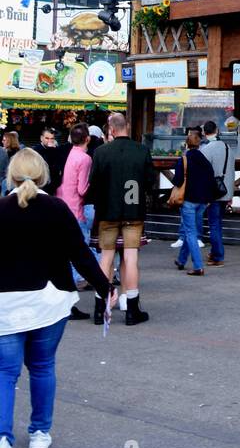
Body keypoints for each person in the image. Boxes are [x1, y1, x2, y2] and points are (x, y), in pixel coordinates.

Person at [0, 147, 115, 448]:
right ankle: (39, 432)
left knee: (4, 374)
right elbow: (80, 254)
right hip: (50, 301)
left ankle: (2, 440)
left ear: (10, 175)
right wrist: (105, 289)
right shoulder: (57, 208)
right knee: (42, 366)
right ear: (44, 175)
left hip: (5, 304)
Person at [87, 112, 155, 325]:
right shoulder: (142, 151)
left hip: (107, 212)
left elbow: (94, 184)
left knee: (105, 258)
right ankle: (132, 310)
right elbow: (149, 182)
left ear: (112, 130)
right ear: (127, 126)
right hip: (133, 211)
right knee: (131, 258)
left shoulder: (101, 152)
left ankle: (100, 309)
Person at [57, 123, 94, 318]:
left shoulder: (68, 154)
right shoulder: (85, 159)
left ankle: (65, 303)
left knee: (66, 256)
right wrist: (93, 186)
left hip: (63, 206)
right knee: (77, 255)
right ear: (87, 139)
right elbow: (82, 189)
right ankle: (69, 304)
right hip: (75, 210)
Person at [171, 131, 218, 277]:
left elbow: (177, 181)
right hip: (203, 201)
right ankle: (181, 260)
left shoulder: (183, 159)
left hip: (188, 200)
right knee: (189, 229)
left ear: (187, 143)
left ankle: (198, 266)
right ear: (199, 144)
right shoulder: (204, 160)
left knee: (190, 232)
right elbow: (212, 180)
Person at [200, 120, 235, 267]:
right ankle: (215, 252)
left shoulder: (206, 150)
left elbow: (203, 174)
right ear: (217, 130)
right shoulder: (228, 148)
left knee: (213, 225)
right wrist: (231, 195)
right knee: (218, 224)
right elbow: (231, 172)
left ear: (204, 132)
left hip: (213, 193)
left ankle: (218, 256)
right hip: (225, 191)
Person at [39, 128, 69, 196]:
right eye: (47, 138)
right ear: (41, 138)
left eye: (52, 138)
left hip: (53, 187)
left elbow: (59, 166)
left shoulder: (55, 149)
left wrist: (53, 150)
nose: (50, 141)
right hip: (41, 186)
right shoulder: (36, 151)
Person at [0, 130, 20, 195]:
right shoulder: (5, 151)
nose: (2, 142)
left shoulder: (15, 153)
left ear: (10, 141)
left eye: (4, 140)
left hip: (11, 183)